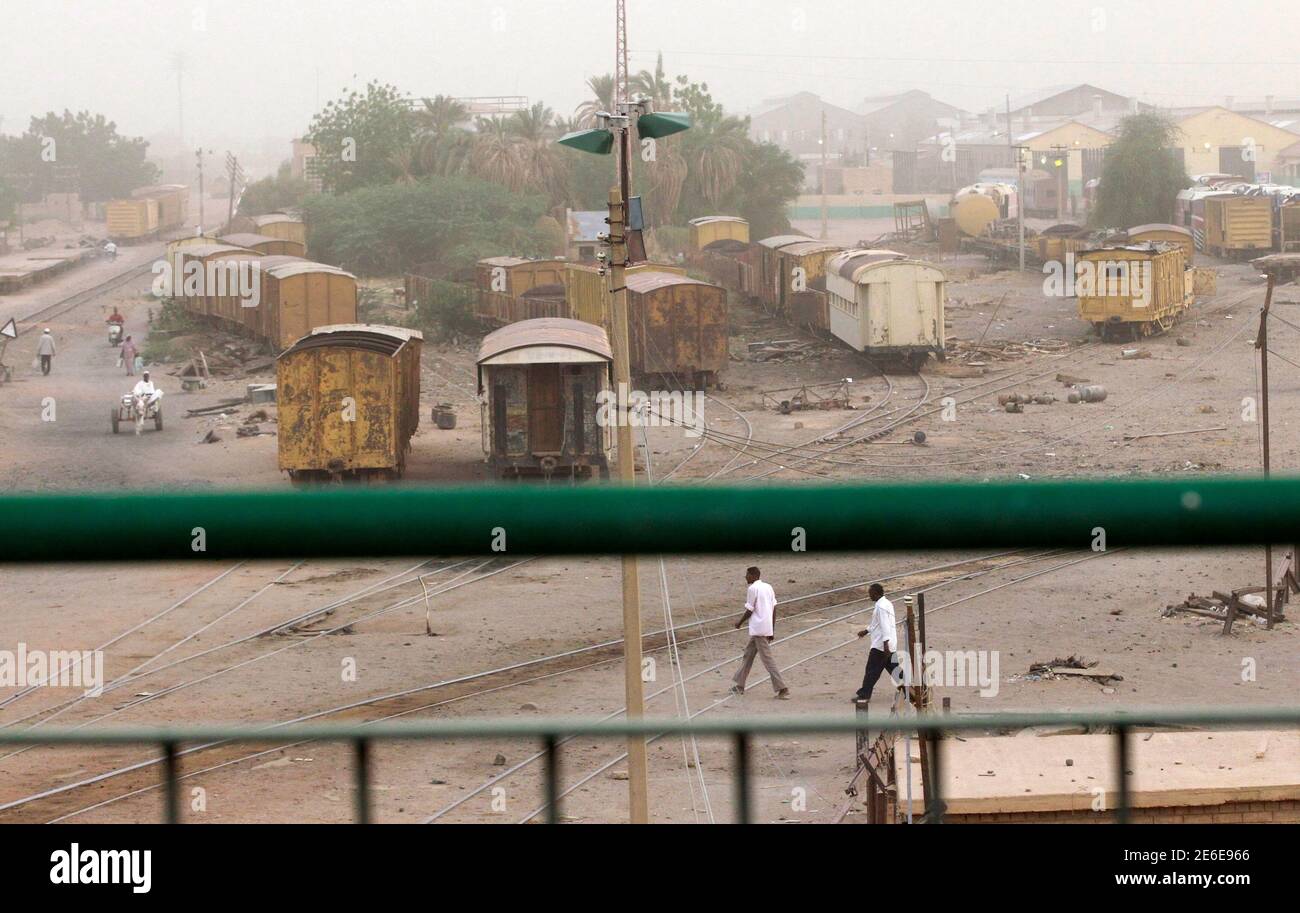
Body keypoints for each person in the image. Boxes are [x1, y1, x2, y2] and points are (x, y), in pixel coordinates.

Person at [730, 566, 790, 699]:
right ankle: (739, 685)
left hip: (758, 629)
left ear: (753, 575)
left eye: (747, 575)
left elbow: (750, 609)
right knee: (748, 655)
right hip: (764, 628)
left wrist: (739, 623)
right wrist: (771, 629)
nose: (745, 577)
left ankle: (782, 689)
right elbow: (774, 608)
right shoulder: (768, 587)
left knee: (767, 660)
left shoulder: (752, 589)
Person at [855, 583, 902, 702]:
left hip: (881, 646)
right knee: (895, 670)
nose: (869, 596)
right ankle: (910, 690)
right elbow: (876, 623)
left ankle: (864, 694)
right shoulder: (887, 603)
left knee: (871, 671)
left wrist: (885, 644)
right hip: (890, 644)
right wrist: (866, 631)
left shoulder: (880, 607)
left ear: (876, 593)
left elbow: (885, 625)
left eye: (870, 593)